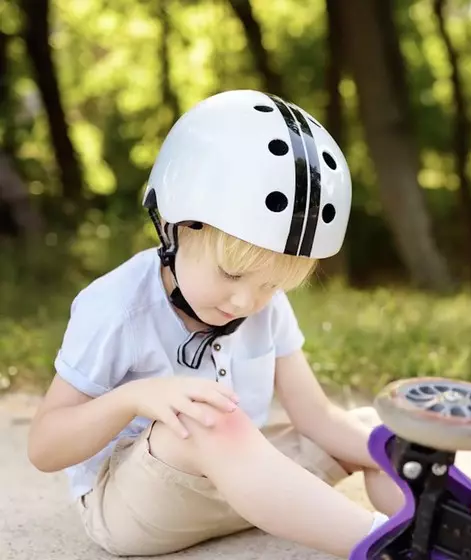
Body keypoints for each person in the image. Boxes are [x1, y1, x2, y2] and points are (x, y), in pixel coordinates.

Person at [25, 90, 404, 558]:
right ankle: (389, 546)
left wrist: (421, 468)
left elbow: (317, 418)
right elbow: (44, 447)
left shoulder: (262, 305)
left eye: (272, 285)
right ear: (174, 227)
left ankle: (438, 528)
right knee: (206, 419)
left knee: (381, 438)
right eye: (232, 273)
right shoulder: (116, 308)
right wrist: (134, 398)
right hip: (138, 508)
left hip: (245, 490)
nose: (247, 301)